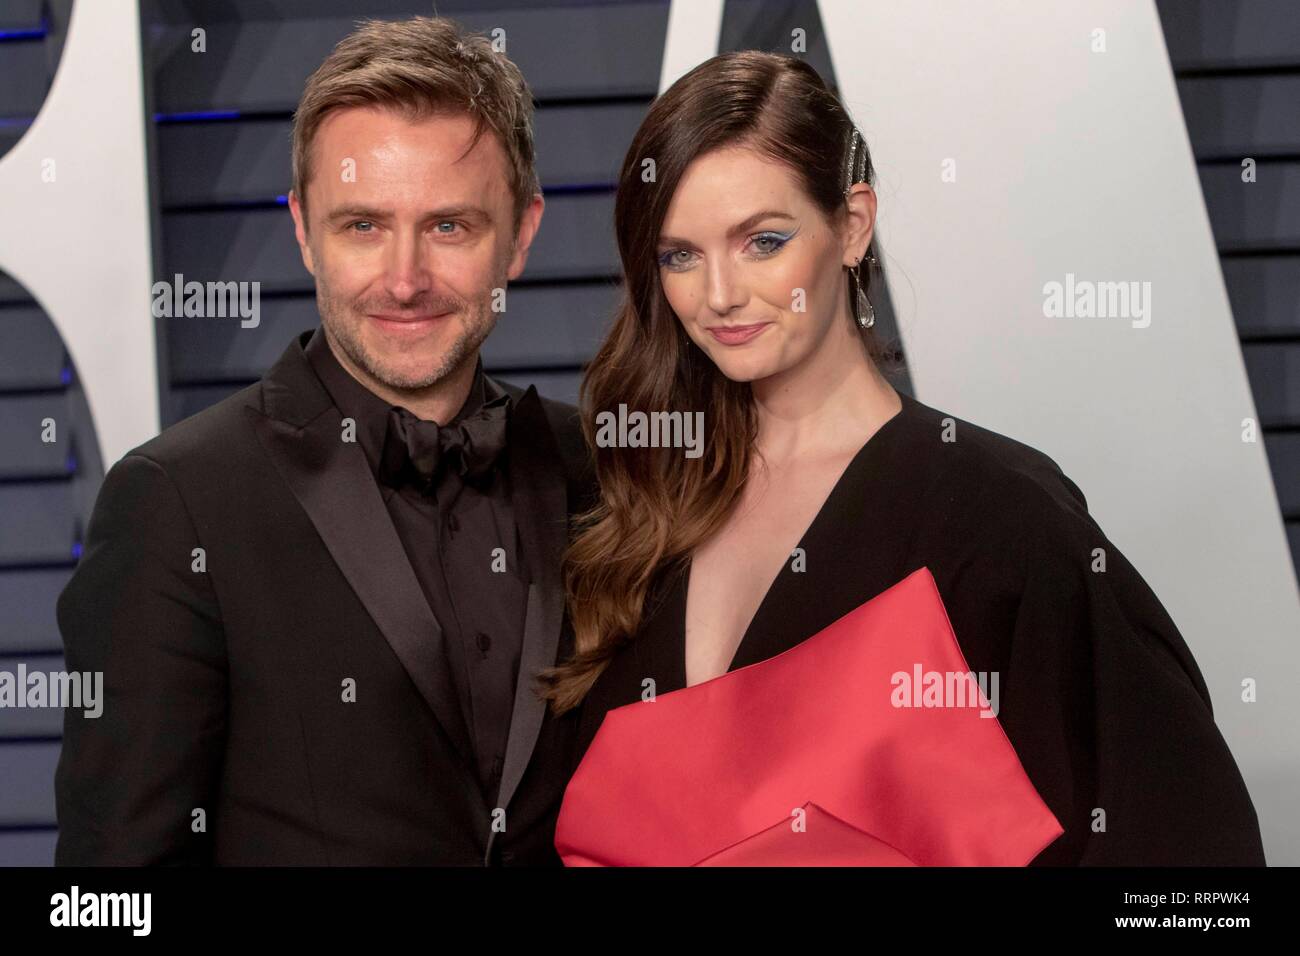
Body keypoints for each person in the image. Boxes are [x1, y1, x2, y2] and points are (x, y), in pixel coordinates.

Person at [542, 51, 1266, 866]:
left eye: (763, 241)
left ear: (852, 224)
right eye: (680, 256)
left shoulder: (1000, 517)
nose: (718, 294)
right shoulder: (632, 509)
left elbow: (1193, 862)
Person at [55, 16, 592, 865]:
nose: (406, 278)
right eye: (363, 226)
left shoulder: (599, 476)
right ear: (304, 229)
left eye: (450, 225)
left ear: (522, 235)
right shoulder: (180, 502)